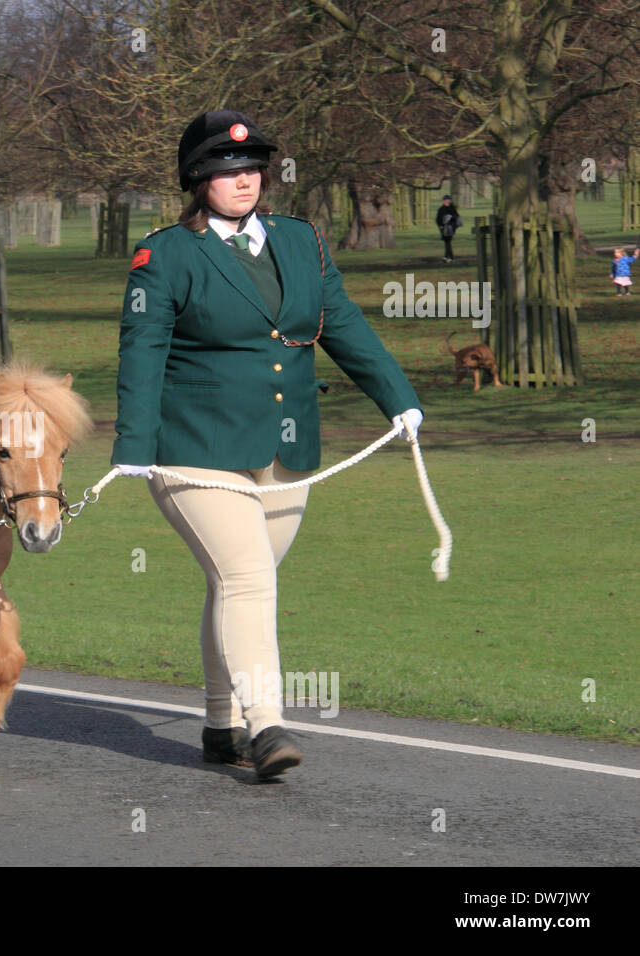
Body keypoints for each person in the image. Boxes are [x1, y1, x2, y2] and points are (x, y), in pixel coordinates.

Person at [112, 110, 423, 778]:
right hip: (193, 448)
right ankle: (267, 728)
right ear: (198, 181)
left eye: (251, 168)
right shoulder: (164, 254)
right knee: (248, 578)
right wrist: (133, 445)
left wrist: (398, 398)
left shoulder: (300, 240)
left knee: (237, 582)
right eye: (226, 171)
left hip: (286, 448)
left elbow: (339, 321)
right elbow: (142, 350)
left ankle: (220, 723)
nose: (243, 180)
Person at [436, 195, 462, 262]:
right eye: (445, 200)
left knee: (448, 241)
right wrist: (440, 225)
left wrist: (451, 221)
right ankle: (450, 257)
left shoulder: (452, 208)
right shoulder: (441, 209)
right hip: (443, 228)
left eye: (447, 200)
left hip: (451, 227)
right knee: (447, 242)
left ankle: (447, 257)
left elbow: (457, 217)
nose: (446, 201)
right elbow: (438, 219)